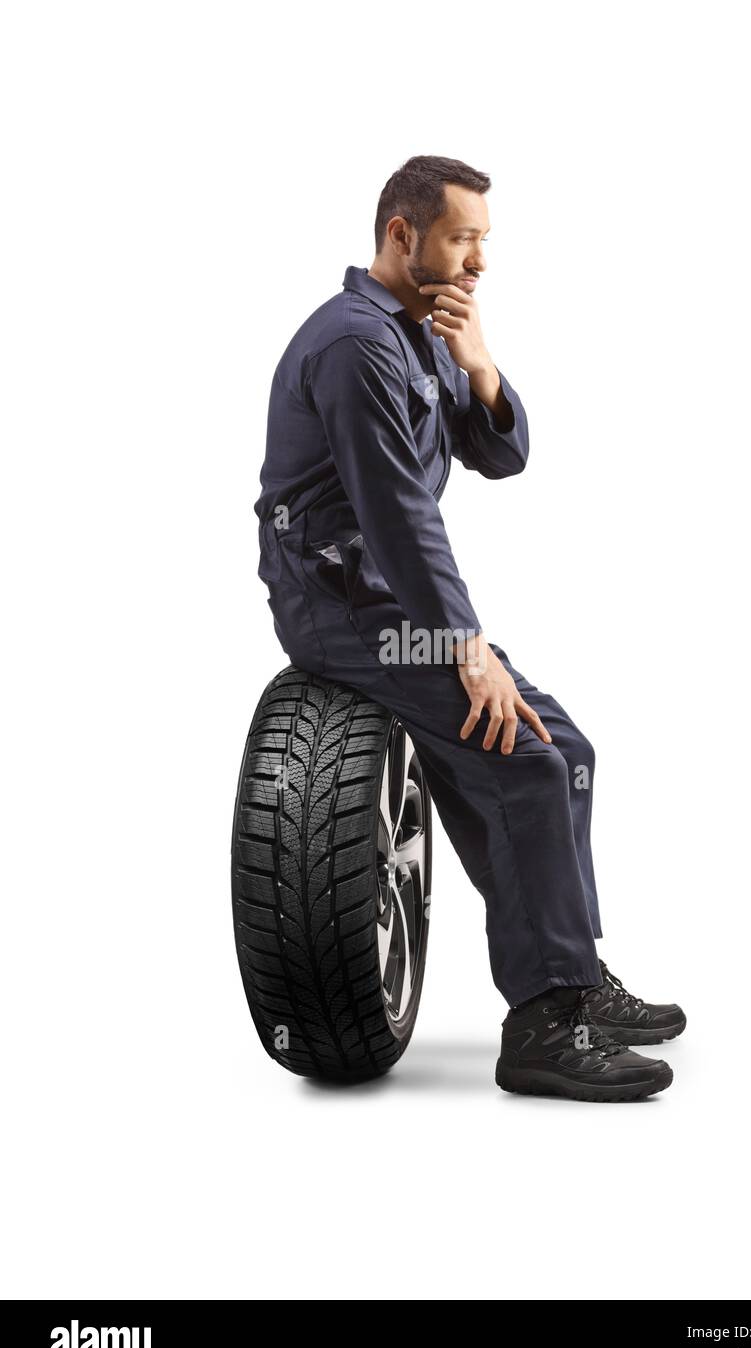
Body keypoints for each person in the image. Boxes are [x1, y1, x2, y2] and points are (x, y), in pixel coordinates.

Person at [254, 155, 686, 1101]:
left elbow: (494, 456)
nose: (480, 260)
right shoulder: (353, 346)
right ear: (402, 236)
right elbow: (398, 515)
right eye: (463, 239)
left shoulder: (417, 334)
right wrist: (465, 647)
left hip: (391, 601)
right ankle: (544, 1021)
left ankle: (577, 977)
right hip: (344, 607)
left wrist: (479, 365)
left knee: (565, 749)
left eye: (485, 241)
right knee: (525, 757)